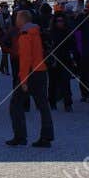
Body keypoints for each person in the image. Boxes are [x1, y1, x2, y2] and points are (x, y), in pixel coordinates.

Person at [6, 9, 53, 148]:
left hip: (31, 73)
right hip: (41, 71)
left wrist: (24, 80)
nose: (15, 20)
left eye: (17, 18)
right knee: (43, 105)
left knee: (15, 104)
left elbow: (26, 59)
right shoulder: (37, 32)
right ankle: (47, 136)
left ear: (22, 20)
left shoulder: (25, 35)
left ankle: (20, 136)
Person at [45, 8, 77, 112]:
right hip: (53, 61)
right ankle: (52, 101)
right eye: (58, 21)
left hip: (65, 60)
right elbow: (46, 46)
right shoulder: (50, 33)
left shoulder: (68, 32)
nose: (60, 23)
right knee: (52, 83)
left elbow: (73, 46)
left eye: (61, 21)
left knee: (65, 82)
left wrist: (74, 57)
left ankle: (68, 103)